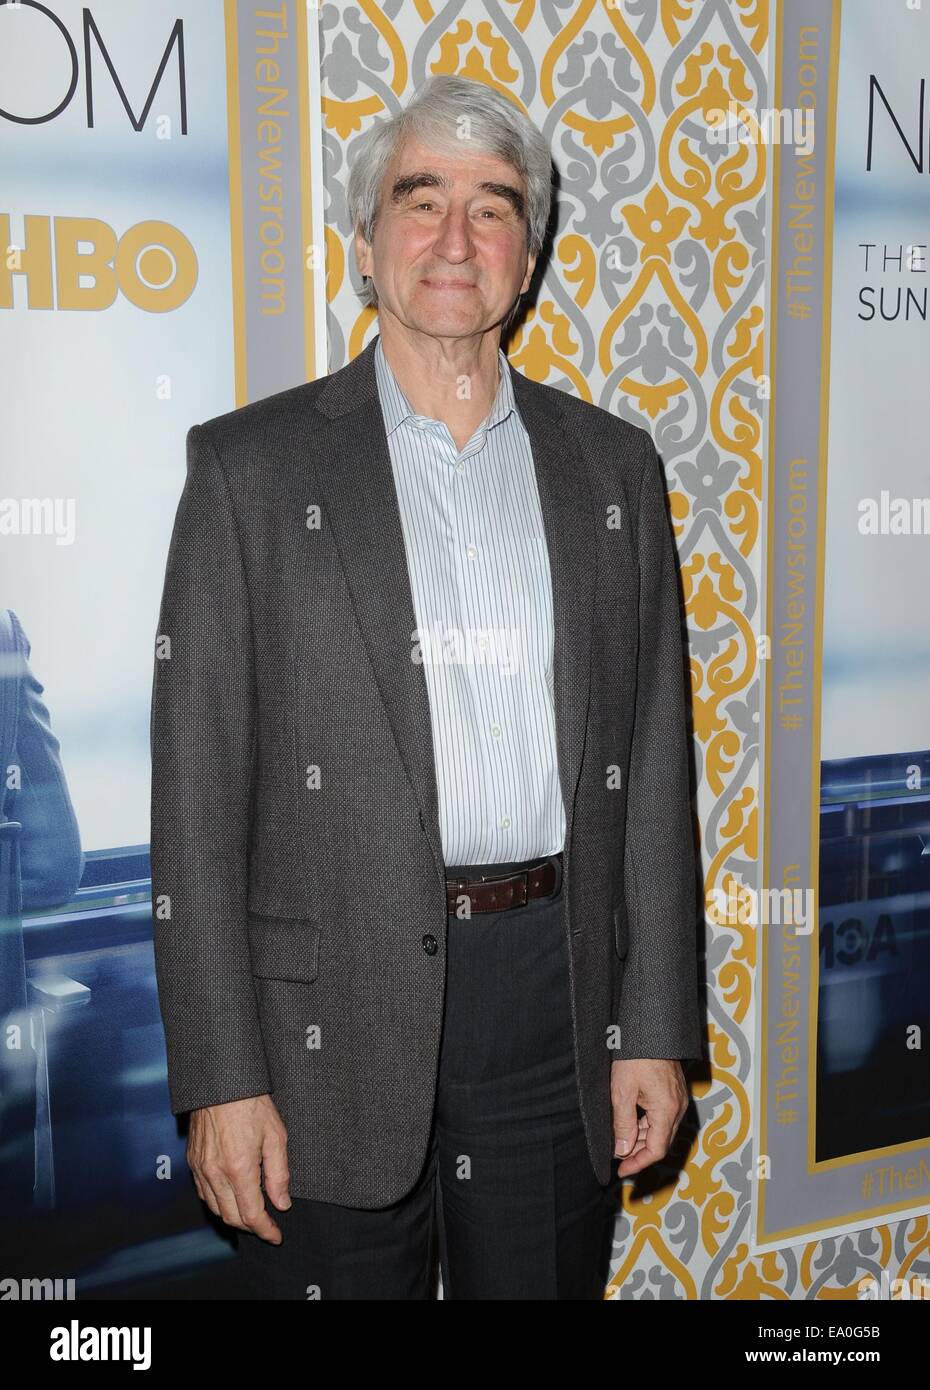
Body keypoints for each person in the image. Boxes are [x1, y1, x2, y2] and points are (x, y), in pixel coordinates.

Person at [149, 73, 702, 1300]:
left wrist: (655, 1023)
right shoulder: (248, 469)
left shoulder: (613, 469)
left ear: (530, 257)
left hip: (551, 1004)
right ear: (364, 242)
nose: (457, 237)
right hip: (321, 1027)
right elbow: (194, 798)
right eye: (421, 198)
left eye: (495, 207)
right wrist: (221, 1074)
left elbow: (656, 758)